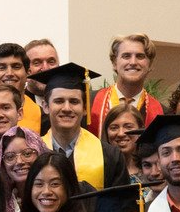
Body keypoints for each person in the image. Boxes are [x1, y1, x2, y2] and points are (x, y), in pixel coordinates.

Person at [38, 63, 122, 192]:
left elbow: (118, 208)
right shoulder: (34, 152)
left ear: (84, 108)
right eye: (59, 101)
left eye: (74, 101)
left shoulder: (110, 156)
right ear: (45, 106)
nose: (67, 108)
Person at [87, 34, 164, 134]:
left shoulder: (161, 113)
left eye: (140, 56)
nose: (133, 62)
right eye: (126, 56)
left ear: (149, 65)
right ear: (114, 63)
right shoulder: (89, 103)